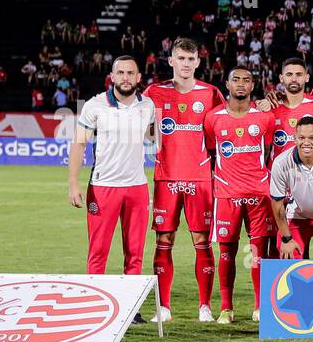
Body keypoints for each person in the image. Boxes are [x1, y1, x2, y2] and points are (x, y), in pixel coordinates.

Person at [144, 36, 226, 323]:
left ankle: (205, 306)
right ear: (171, 61)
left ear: (198, 62)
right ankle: (163, 307)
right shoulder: (153, 92)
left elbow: (225, 129)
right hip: (166, 177)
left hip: (200, 178)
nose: (186, 64)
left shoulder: (211, 93)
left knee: (202, 241)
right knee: (163, 239)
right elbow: (139, 128)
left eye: (191, 59)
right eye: (181, 58)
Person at [69, 57, 155, 304]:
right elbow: (79, 144)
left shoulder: (148, 106)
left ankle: (131, 306)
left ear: (139, 77)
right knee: (98, 252)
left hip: (137, 188)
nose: (125, 77)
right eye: (121, 73)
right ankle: (94, 303)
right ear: (112, 76)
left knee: (135, 253)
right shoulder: (95, 105)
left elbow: (151, 138)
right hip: (103, 188)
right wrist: (73, 184)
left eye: (131, 73)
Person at [204, 68, 272, 323]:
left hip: (259, 193)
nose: (241, 84)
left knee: (258, 252)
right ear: (227, 84)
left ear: (253, 85)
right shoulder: (213, 118)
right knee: (226, 252)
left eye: (246, 80)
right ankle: (226, 307)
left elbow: (268, 149)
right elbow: (212, 150)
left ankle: (259, 306)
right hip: (226, 194)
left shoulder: (265, 117)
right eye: (236, 80)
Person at [269, 117, 313, 260]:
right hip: (299, 215)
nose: (306, 143)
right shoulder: (281, 163)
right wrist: (286, 239)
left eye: (312, 138)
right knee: (290, 254)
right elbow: (277, 205)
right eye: (302, 138)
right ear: (295, 138)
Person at [267, 58, 313, 161]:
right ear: (281, 78)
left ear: (307, 77)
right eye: (289, 75)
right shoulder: (272, 107)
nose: (294, 79)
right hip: (279, 173)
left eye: (299, 74)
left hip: (308, 172)